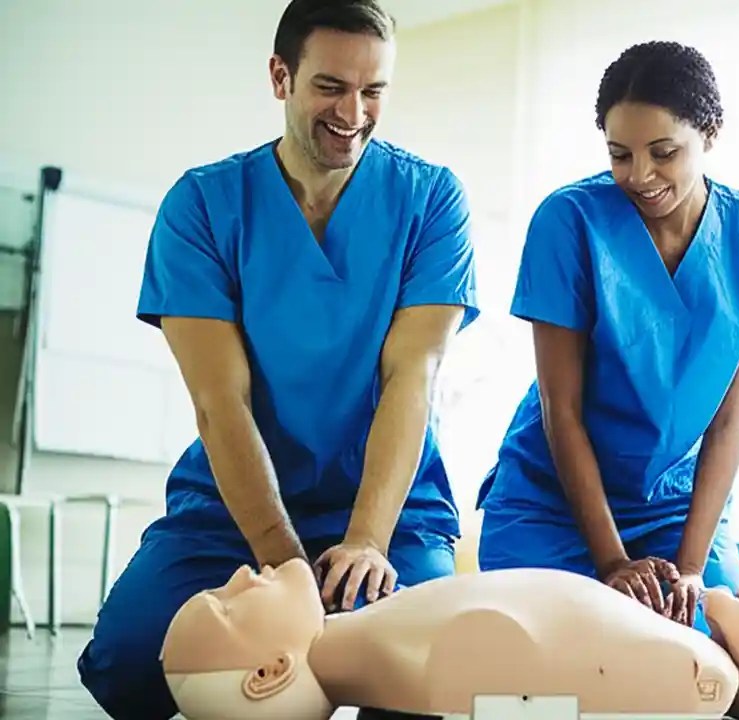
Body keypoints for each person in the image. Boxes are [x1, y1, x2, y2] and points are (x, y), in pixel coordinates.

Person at [77, 1, 480, 718]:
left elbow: (411, 377)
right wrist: (286, 565)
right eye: (330, 86)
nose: (353, 111)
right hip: (234, 510)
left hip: (387, 509)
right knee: (129, 666)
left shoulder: (430, 200)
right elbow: (217, 400)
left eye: (374, 90)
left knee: (423, 677)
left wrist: (366, 541)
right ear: (280, 77)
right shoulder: (203, 206)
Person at [473, 40, 739, 626]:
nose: (639, 176)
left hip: (677, 507)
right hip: (554, 503)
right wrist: (613, 561)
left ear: (711, 134)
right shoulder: (568, 220)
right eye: (620, 154)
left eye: (663, 152)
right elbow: (560, 410)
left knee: (715, 650)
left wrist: (692, 570)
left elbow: (728, 420)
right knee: (561, 645)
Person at [158, 557, 739, 720]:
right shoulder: (696, 667)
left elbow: (518, 693)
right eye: (230, 606)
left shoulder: (704, 672)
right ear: (270, 673)